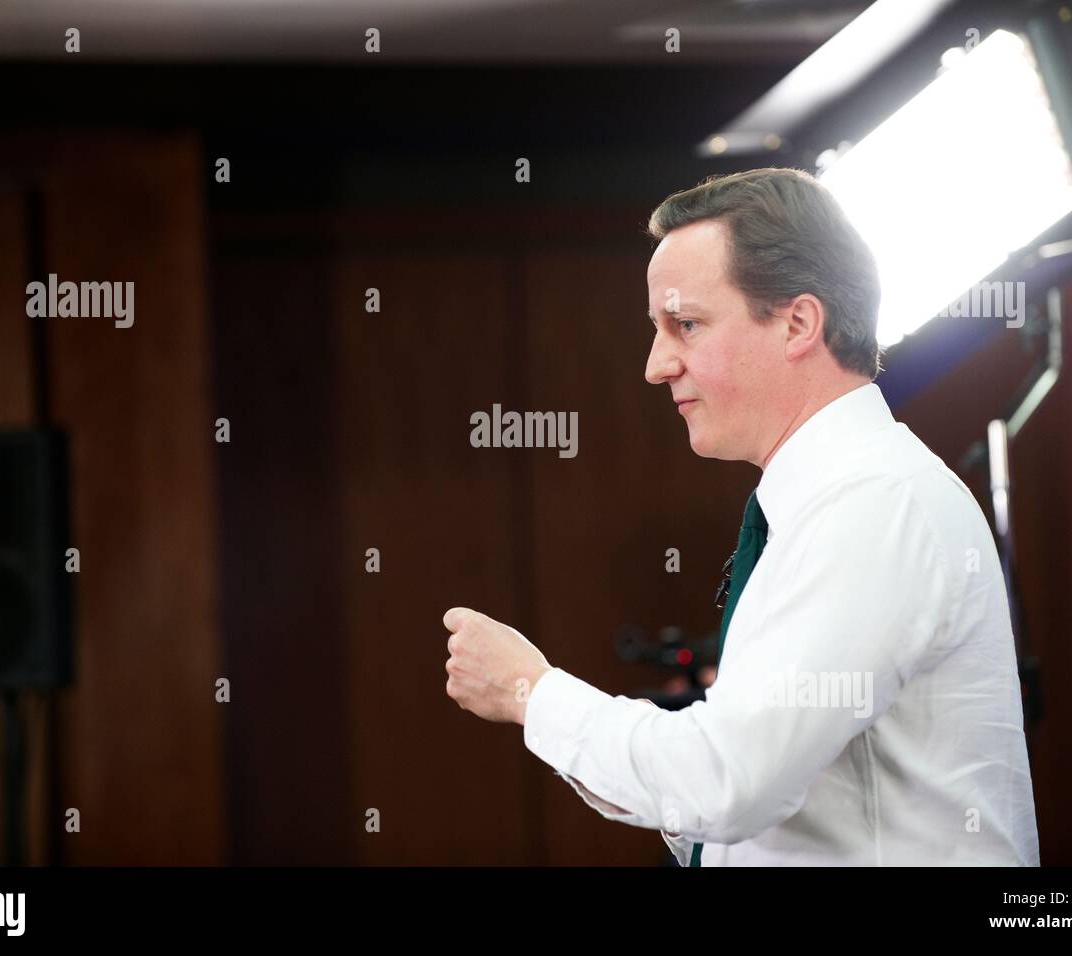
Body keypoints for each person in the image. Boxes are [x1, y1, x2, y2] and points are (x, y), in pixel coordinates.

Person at [442, 167, 1040, 866]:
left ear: (797, 324)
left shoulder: (875, 503)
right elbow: (724, 808)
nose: (655, 365)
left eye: (685, 324)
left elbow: (728, 784)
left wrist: (531, 692)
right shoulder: (827, 503)